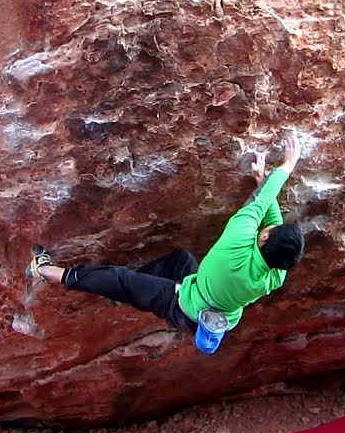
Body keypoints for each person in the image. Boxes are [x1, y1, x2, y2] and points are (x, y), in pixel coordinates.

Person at [27, 132, 307, 351]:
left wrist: (285, 167)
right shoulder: (275, 276)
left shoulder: (236, 244)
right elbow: (269, 217)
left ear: (264, 236)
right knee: (181, 259)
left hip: (184, 307)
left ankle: (47, 271)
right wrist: (261, 181)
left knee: (120, 279)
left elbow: (260, 208)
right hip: (211, 304)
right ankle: (127, 294)